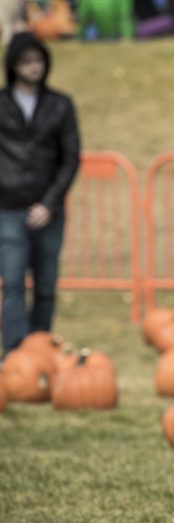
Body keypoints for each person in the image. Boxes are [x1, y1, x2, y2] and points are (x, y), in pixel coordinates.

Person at [0, 31, 80, 354]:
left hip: (49, 210)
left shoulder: (60, 106)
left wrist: (49, 203)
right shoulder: (1, 105)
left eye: (38, 61)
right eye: (26, 61)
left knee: (45, 286)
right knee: (14, 282)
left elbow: (70, 157)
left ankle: (40, 350)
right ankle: (17, 353)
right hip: (9, 208)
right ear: (13, 65)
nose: (33, 68)